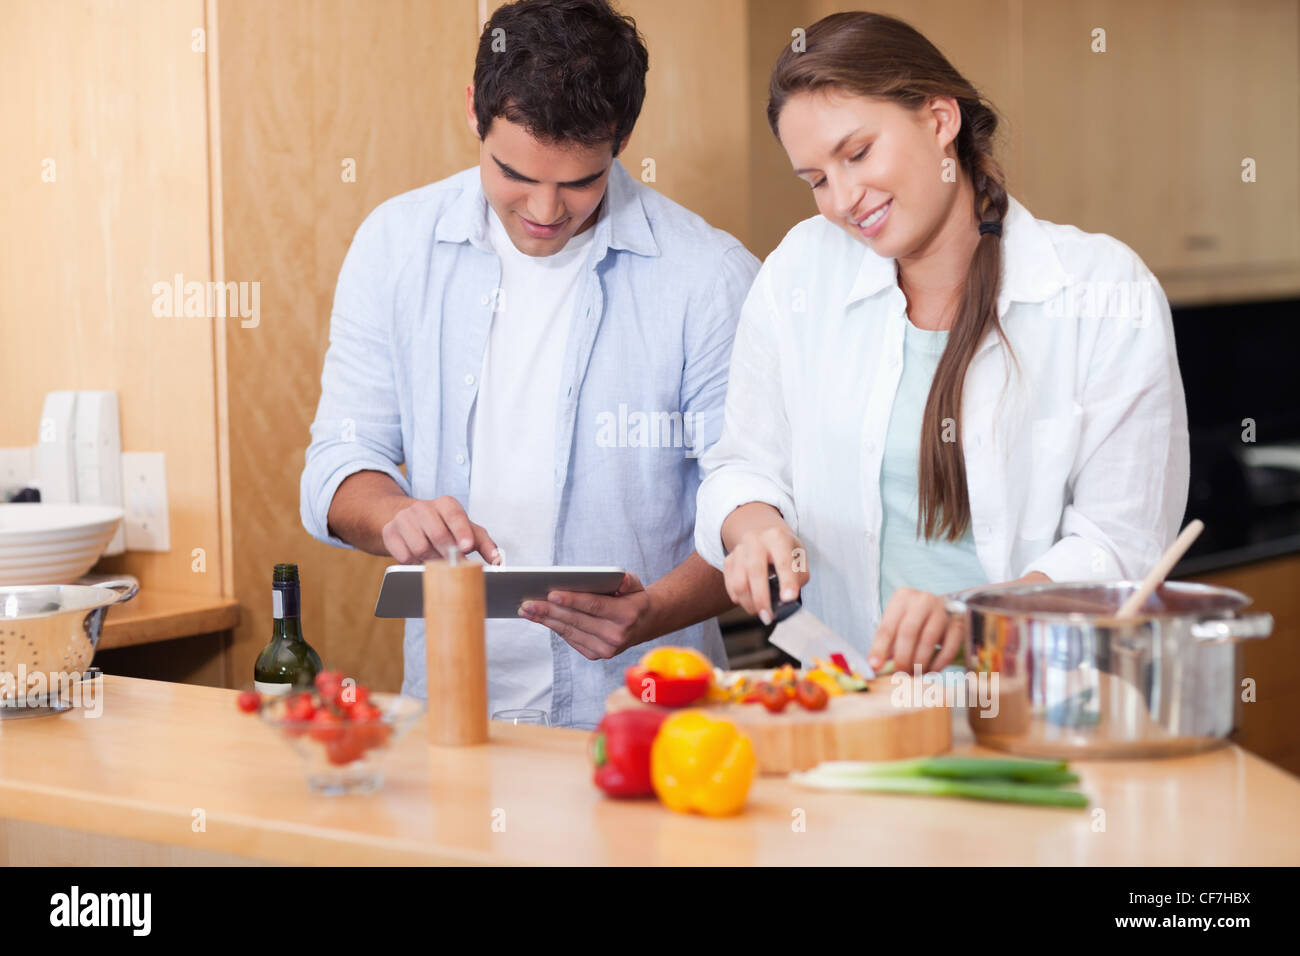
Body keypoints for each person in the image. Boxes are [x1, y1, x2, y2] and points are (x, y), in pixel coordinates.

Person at [300, 0, 757, 728]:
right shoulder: (394, 247)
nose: (545, 209)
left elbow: (749, 503)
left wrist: (655, 610)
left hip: (647, 722)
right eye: (515, 173)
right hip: (451, 712)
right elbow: (339, 460)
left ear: (622, 139)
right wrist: (392, 516)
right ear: (474, 113)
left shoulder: (710, 276)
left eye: (579, 181)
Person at [695, 11, 1189, 676]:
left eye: (858, 153)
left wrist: (975, 617)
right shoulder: (799, 272)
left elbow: (1123, 548)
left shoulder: (1102, 291)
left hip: (1038, 714)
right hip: (855, 711)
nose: (842, 199)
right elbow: (743, 463)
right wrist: (752, 525)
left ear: (938, 122)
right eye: (814, 179)